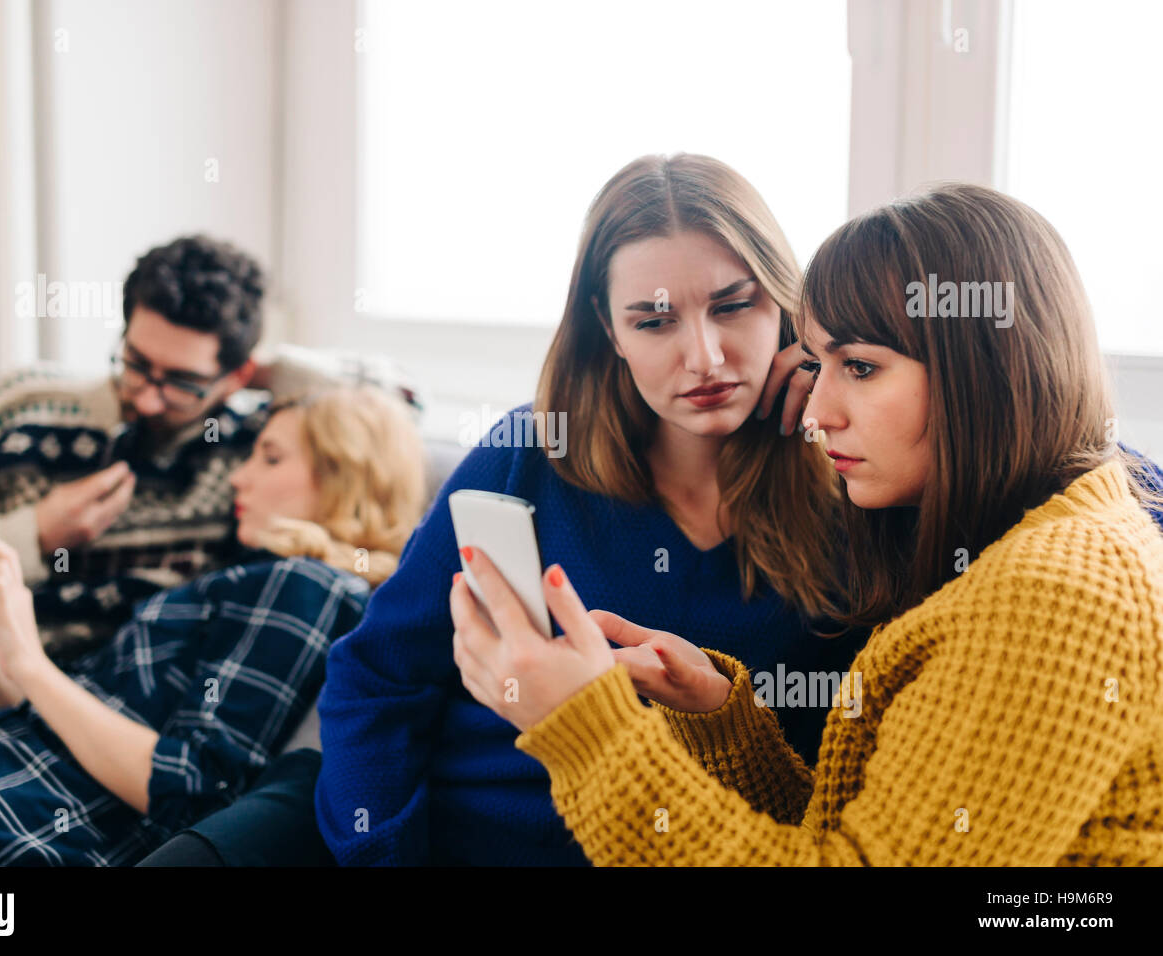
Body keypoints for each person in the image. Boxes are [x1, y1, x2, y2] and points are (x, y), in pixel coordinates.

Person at [452, 182, 1163, 865]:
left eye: (858, 367)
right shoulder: (1021, 550)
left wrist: (585, 733)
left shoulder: (1053, 598)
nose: (817, 414)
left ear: (987, 371)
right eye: (818, 364)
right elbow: (846, 843)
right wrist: (721, 719)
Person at [306, 153, 870, 867]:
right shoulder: (527, 453)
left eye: (734, 306)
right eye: (655, 321)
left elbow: (837, 772)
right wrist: (384, 856)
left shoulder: (853, 484)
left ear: (786, 305)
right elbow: (377, 679)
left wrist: (837, 394)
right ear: (608, 328)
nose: (705, 357)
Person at [0, 235, 419, 729]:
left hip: (8, 723)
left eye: (182, 381)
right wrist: (33, 536)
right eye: (136, 362)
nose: (148, 397)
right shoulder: (32, 403)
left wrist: (266, 372)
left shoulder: (249, 451)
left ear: (238, 376)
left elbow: (396, 408)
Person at [0, 385, 425, 866]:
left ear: (344, 478)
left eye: (271, 459)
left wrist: (31, 662)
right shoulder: (255, 578)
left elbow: (195, 787)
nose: (239, 477)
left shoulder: (310, 586)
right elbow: (60, 737)